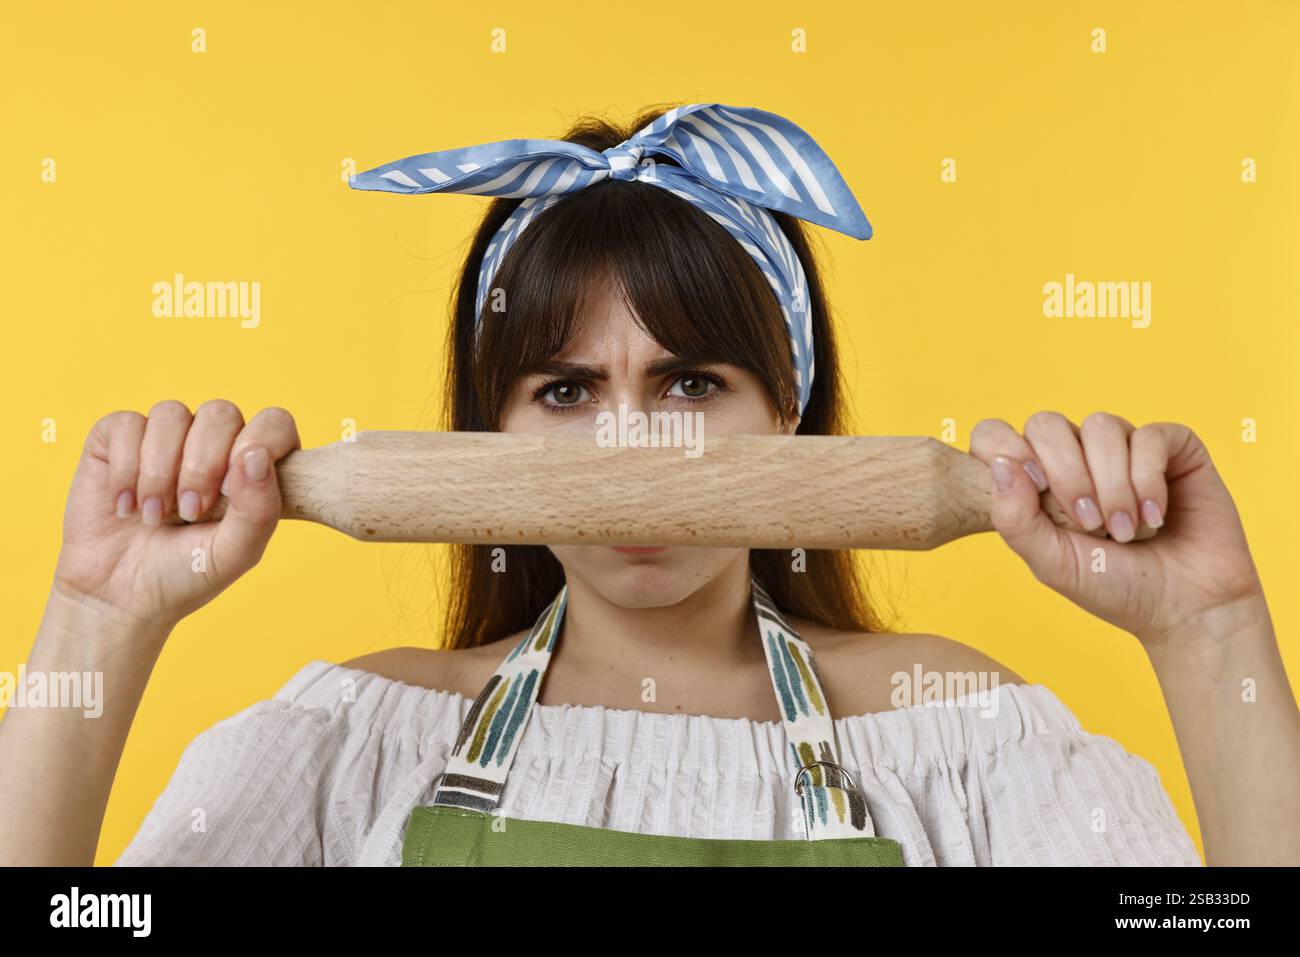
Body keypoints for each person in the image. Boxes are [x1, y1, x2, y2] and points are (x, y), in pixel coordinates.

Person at [1, 103, 1295, 866]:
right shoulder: (352, 744)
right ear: (487, 443)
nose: (632, 448)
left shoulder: (961, 741)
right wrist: (100, 621)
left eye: (689, 383)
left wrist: (1209, 629)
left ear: (786, 413)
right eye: (564, 391)